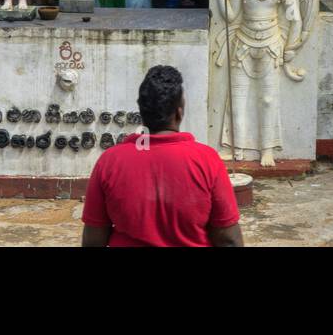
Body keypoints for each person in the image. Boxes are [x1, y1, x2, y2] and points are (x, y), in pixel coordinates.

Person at [81, 65, 243, 247]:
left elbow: (93, 239)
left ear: (142, 112)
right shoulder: (207, 160)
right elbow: (228, 239)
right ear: (179, 113)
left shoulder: (109, 161)